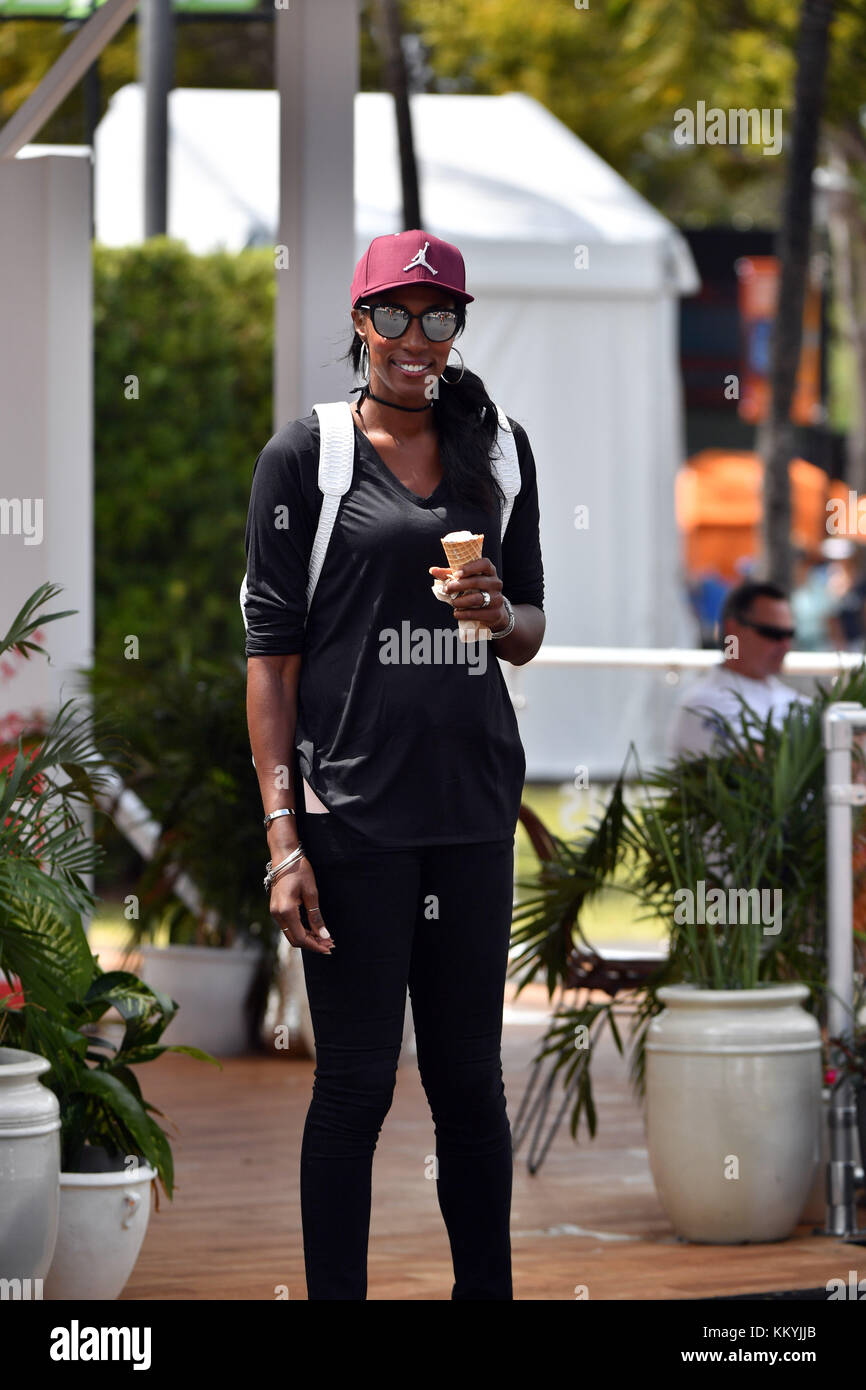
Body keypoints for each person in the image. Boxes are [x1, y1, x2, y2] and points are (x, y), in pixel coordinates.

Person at [242, 229, 545, 1300]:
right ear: (361, 322)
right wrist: (284, 838)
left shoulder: (500, 447)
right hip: (351, 817)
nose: (419, 339)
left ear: (457, 328)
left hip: (469, 811)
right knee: (357, 1084)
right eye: (398, 316)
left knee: (468, 1083)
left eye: (441, 317)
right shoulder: (306, 459)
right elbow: (270, 665)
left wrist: (499, 609)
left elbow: (530, 626)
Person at [669, 580, 811, 758]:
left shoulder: (796, 701)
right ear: (733, 629)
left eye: (790, 635)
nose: (785, 645)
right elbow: (749, 764)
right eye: (772, 633)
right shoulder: (700, 704)